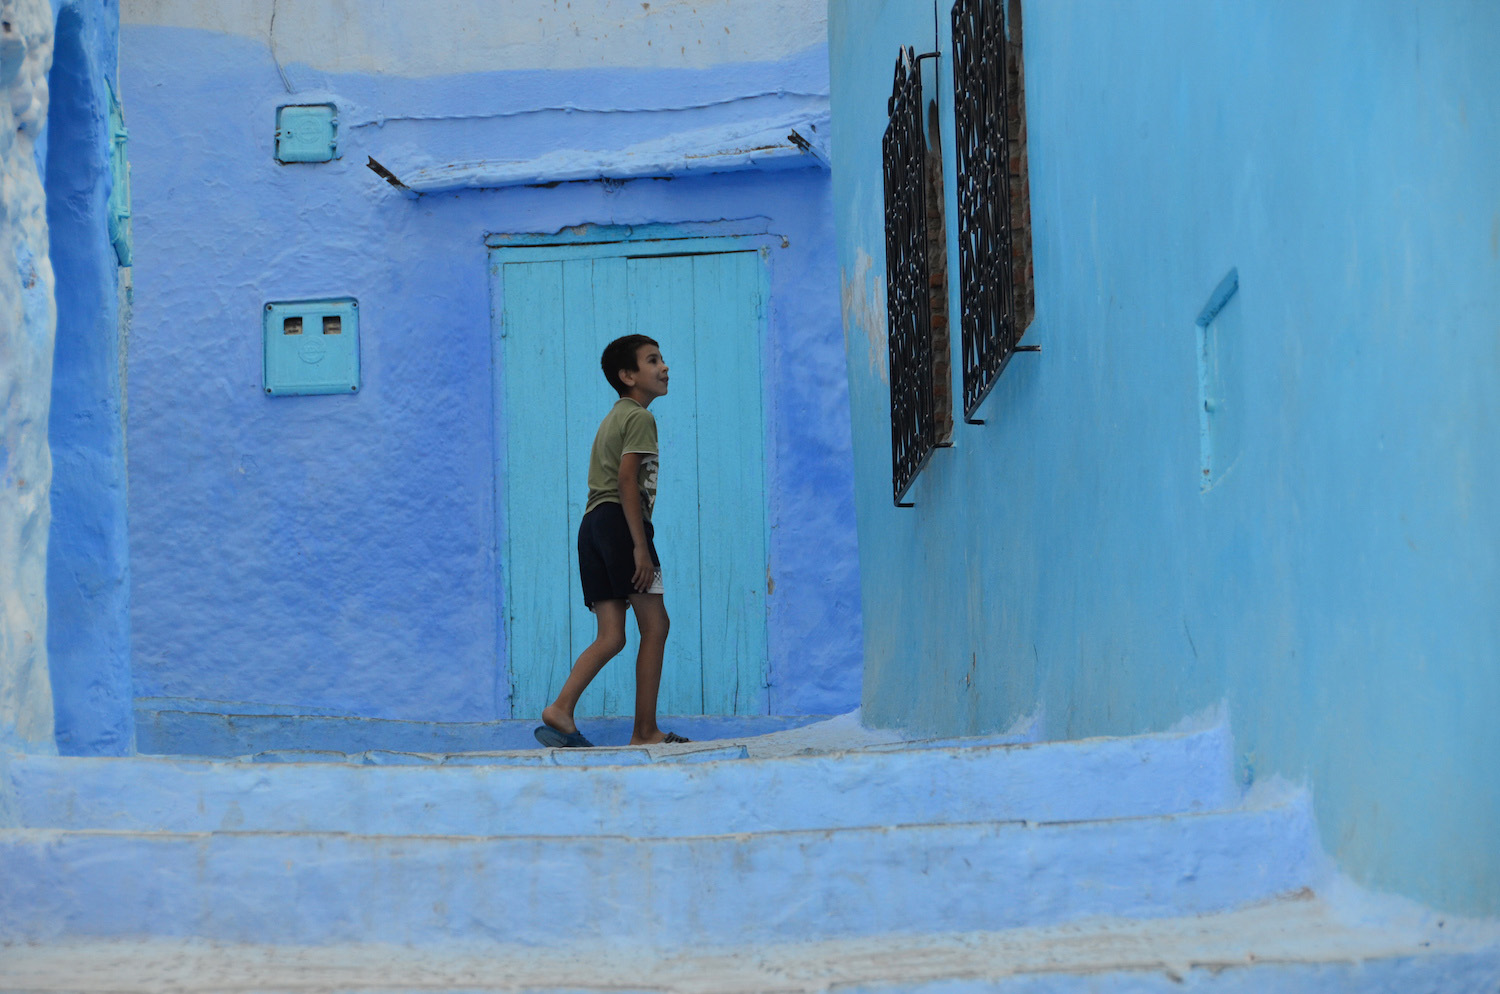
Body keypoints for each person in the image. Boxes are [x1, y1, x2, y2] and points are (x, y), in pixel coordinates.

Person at [534, 334, 690, 748]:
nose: (664, 367)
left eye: (662, 358)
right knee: (656, 626)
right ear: (628, 376)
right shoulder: (639, 417)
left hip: (593, 527)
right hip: (623, 526)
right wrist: (640, 546)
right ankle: (645, 733)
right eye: (652, 360)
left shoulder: (613, 417)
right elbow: (626, 480)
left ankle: (561, 709)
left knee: (612, 635)